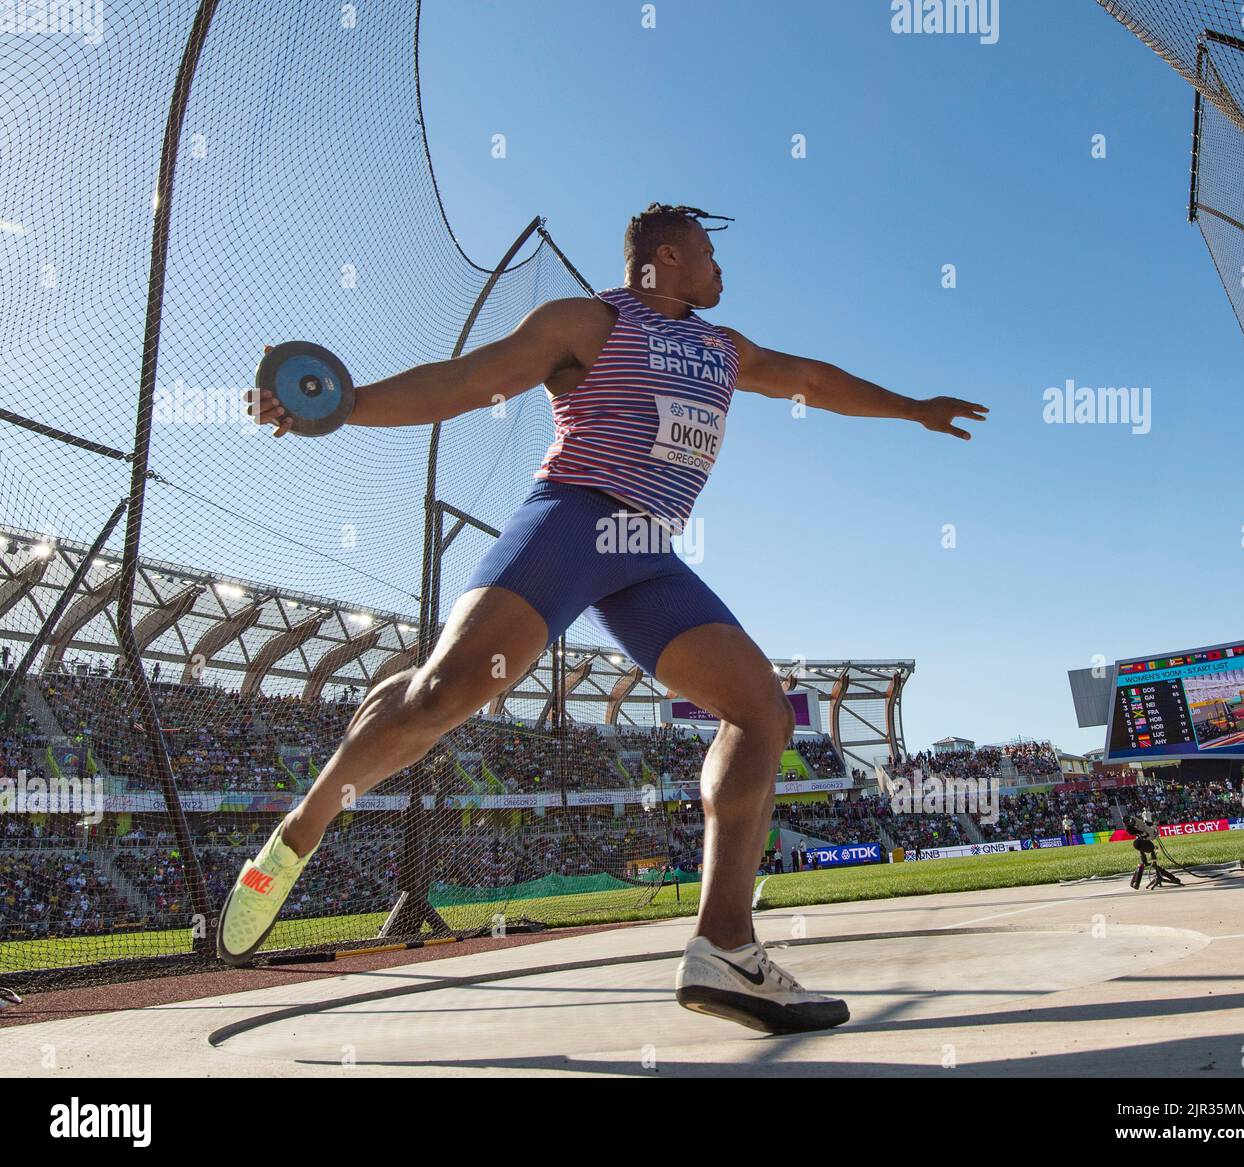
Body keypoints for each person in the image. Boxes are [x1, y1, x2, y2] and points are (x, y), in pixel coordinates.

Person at [218, 202, 987, 1035]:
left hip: (647, 552)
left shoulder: (725, 349)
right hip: (573, 520)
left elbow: (813, 381)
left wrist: (911, 407)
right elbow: (470, 382)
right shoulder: (587, 320)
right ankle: (300, 830)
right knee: (443, 695)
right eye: (709, 254)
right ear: (666, 255)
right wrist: (342, 402)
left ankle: (726, 947)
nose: (722, 271)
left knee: (759, 709)